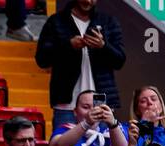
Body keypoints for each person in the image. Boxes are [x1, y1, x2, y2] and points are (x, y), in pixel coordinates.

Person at [34, 0, 125, 129]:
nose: (88, 1)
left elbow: (120, 61)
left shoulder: (108, 21)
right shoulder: (56, 21)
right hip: (66, 103)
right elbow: (42, 59)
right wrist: (68, 45)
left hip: (101, 103)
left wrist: (103, 46)